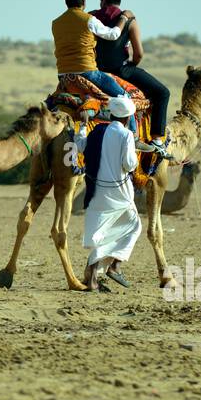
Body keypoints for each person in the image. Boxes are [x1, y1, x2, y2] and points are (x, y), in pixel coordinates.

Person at [92, 0, 172, 158]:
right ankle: (157, 140)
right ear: (118, 1)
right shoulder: (129, 20)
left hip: (96, 71)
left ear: (103, 0)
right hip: (121, 70)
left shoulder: (91, 18)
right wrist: (131, 65)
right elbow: (139, 53)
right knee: (162, 93)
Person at [80, 95, 143, 291]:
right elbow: (130, 164)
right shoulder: (125, 135)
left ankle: (92, 278)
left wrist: (83, 127)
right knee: (134, 226)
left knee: (101, 234)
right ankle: (114, 267)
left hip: (96, 192)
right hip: (119, 192)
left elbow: (81, 147)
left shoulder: (97, 131)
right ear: (127, 118)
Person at [51, 0, 134, 127]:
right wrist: (124, 18)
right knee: (124, 98)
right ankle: (133, 134)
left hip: (63, 75)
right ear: (83, 1)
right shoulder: (89, 20)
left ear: (66, 2)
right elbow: (113, 34)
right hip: (88, 73)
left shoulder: (55, 23)